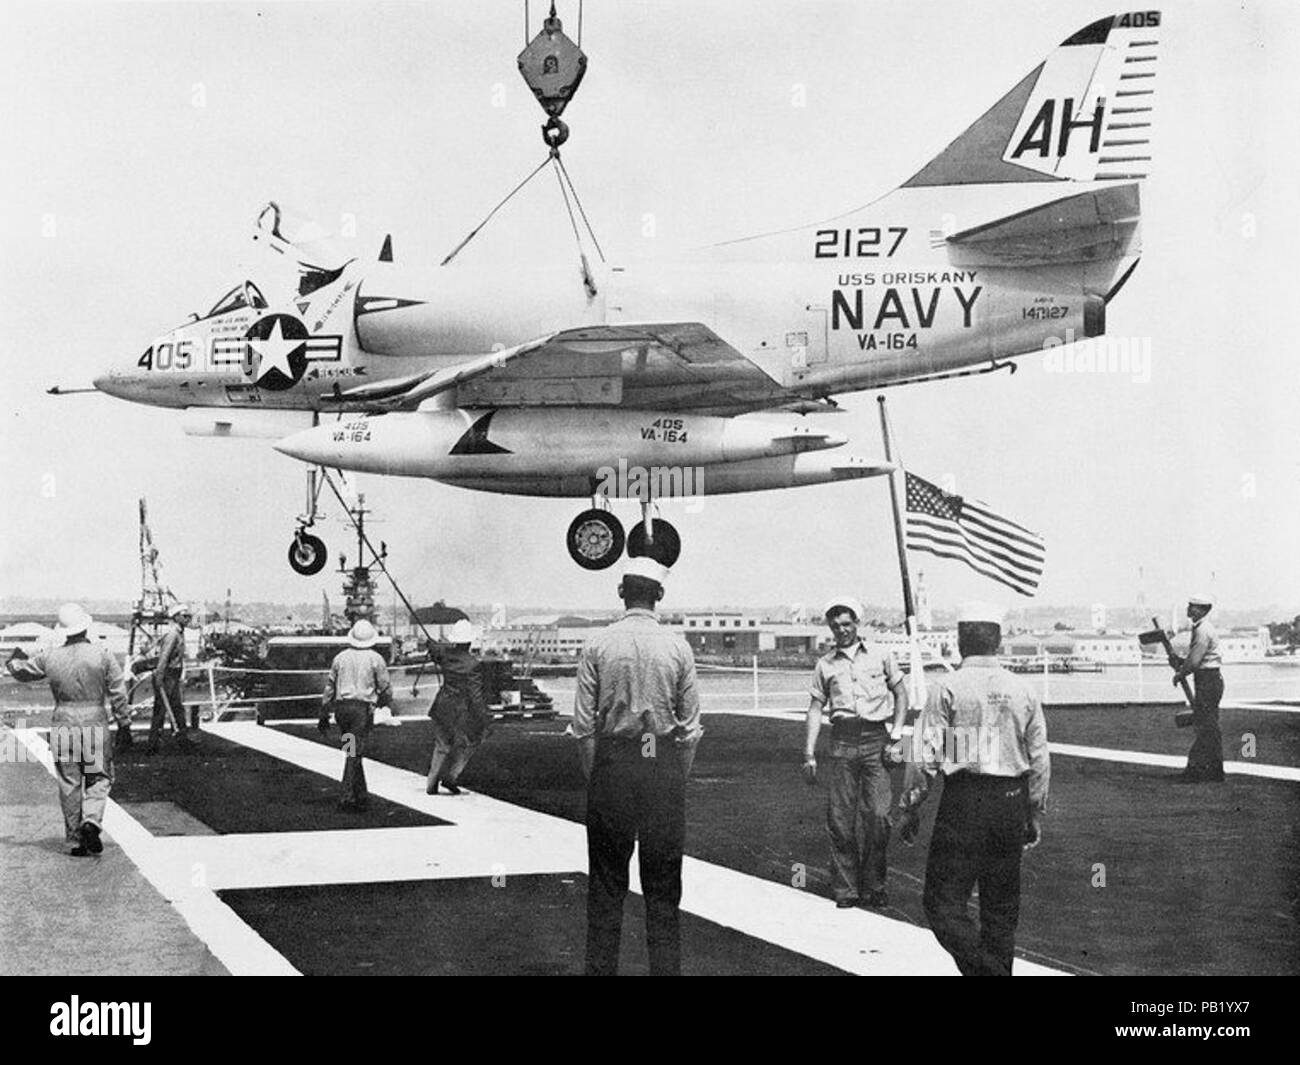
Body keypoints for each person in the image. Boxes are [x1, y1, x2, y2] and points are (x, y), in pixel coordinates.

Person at [896, 603, 1050, 976]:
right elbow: (1039, 758)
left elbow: (924, 756)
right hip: (1009, 802)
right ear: (997, 640)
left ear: (960, 640)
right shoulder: (1022, 690)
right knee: (1000, 909)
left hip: (965, 802)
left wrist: (910, 806)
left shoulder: (947, 687)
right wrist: (1032, 812)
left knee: (942, 903)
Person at [572, 556, 702, 976]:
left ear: (621, 592)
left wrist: (602, 776)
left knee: (606, 886)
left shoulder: (597, 645)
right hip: (659, 761)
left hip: (614, 763)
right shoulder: (678, 646)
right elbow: (689, 730)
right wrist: (670, 777)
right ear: (659, 595)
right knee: (663, 888)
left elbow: (583, 727)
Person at [803, 596, 908, 909]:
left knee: (878, 817)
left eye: (847, 624)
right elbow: (815, 708)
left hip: (877, 740)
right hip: (842, 743)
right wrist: (808, 753)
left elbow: (901, 696)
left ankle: (874, 885)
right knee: (840, 819)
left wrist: (897, 736)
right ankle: (846, 889)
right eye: (835, 625)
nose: (841, 630)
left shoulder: (881, 655)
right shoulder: (825, 664)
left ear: (857, 624)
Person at [6, 604, 132, 856]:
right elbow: (119, 692)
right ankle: (92, 821)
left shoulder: (50, 656)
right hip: (94, 721)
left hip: (63, 721)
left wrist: (13, 660)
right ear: (87, 626)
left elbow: (22, 671)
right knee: (98, 777)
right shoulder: (103, 655)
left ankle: (76, 840)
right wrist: (124, 723)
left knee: (69, 781)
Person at [320, 619, 392, 812]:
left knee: (352, 749)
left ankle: (361, 793)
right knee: (354, 752)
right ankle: (347, 796)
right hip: (361, 710)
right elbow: (385, 687)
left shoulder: (340, 658)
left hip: (342, 710)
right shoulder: (376, 659)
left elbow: (329, 686)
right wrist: (384, 703)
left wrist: (324, 712)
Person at [425, 620, 491, 795]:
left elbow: (436, 652)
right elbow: (475, 696)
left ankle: (432, 783)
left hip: (442, 706)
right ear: (470, 642)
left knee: (441, 745)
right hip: (461, 710)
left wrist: (432, 644)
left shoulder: (445, 656)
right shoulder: (473, 664)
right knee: (470, 742)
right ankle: (451, 776)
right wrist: (484, 718)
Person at [1170, 594, 1225, 782]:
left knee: (1205, 726)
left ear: (1202, 610)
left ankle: (1195, 771)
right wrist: (1179, 662)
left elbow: (1194, 661)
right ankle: (1214, 771)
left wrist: (1180, 674)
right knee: (1209, 726)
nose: (1188, 609)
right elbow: (1196, 659)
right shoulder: (1202, 628)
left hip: (1207, 680)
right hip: (1208, 679)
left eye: (1192, 606)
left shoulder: (1202, 630)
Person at [148, 602, 195, 753]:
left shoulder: (180, 632)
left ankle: (182, 738)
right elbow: (164, 657)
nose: (188, 618)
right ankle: (153, 743)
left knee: (177, 708)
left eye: (188, 616)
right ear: (176, 617)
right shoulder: (172, 634)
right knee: (161, 709)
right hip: (167, 674)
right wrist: (159, 677)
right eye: (184, 616)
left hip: (174, 675)